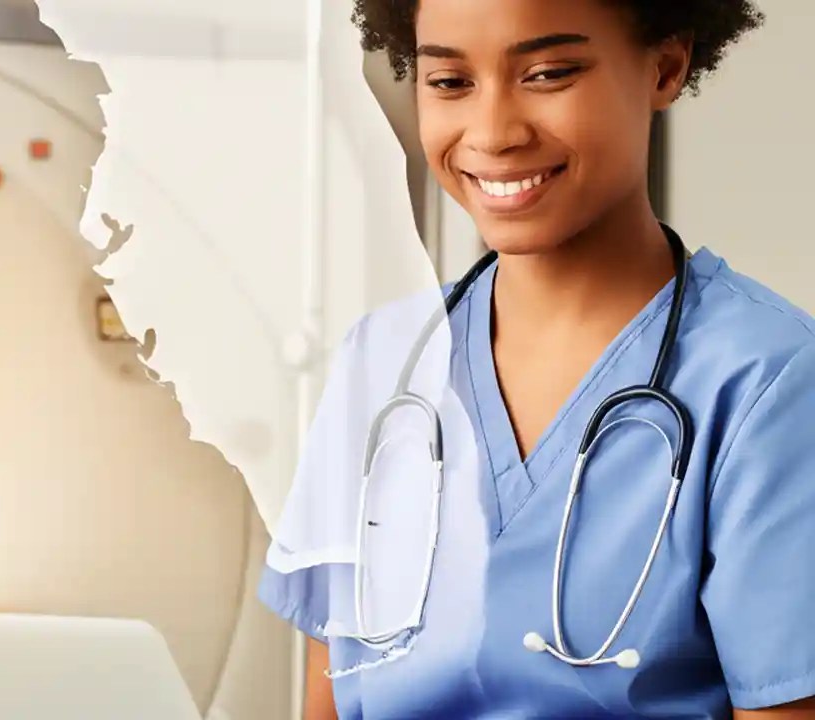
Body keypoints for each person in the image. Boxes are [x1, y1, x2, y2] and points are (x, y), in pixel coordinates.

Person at [257, 0, 815, 717]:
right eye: (450, 83)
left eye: (548, 73)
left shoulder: (766, 382)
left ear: (666, 68)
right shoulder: (383, 361)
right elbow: (329, 692)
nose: (493, 133)